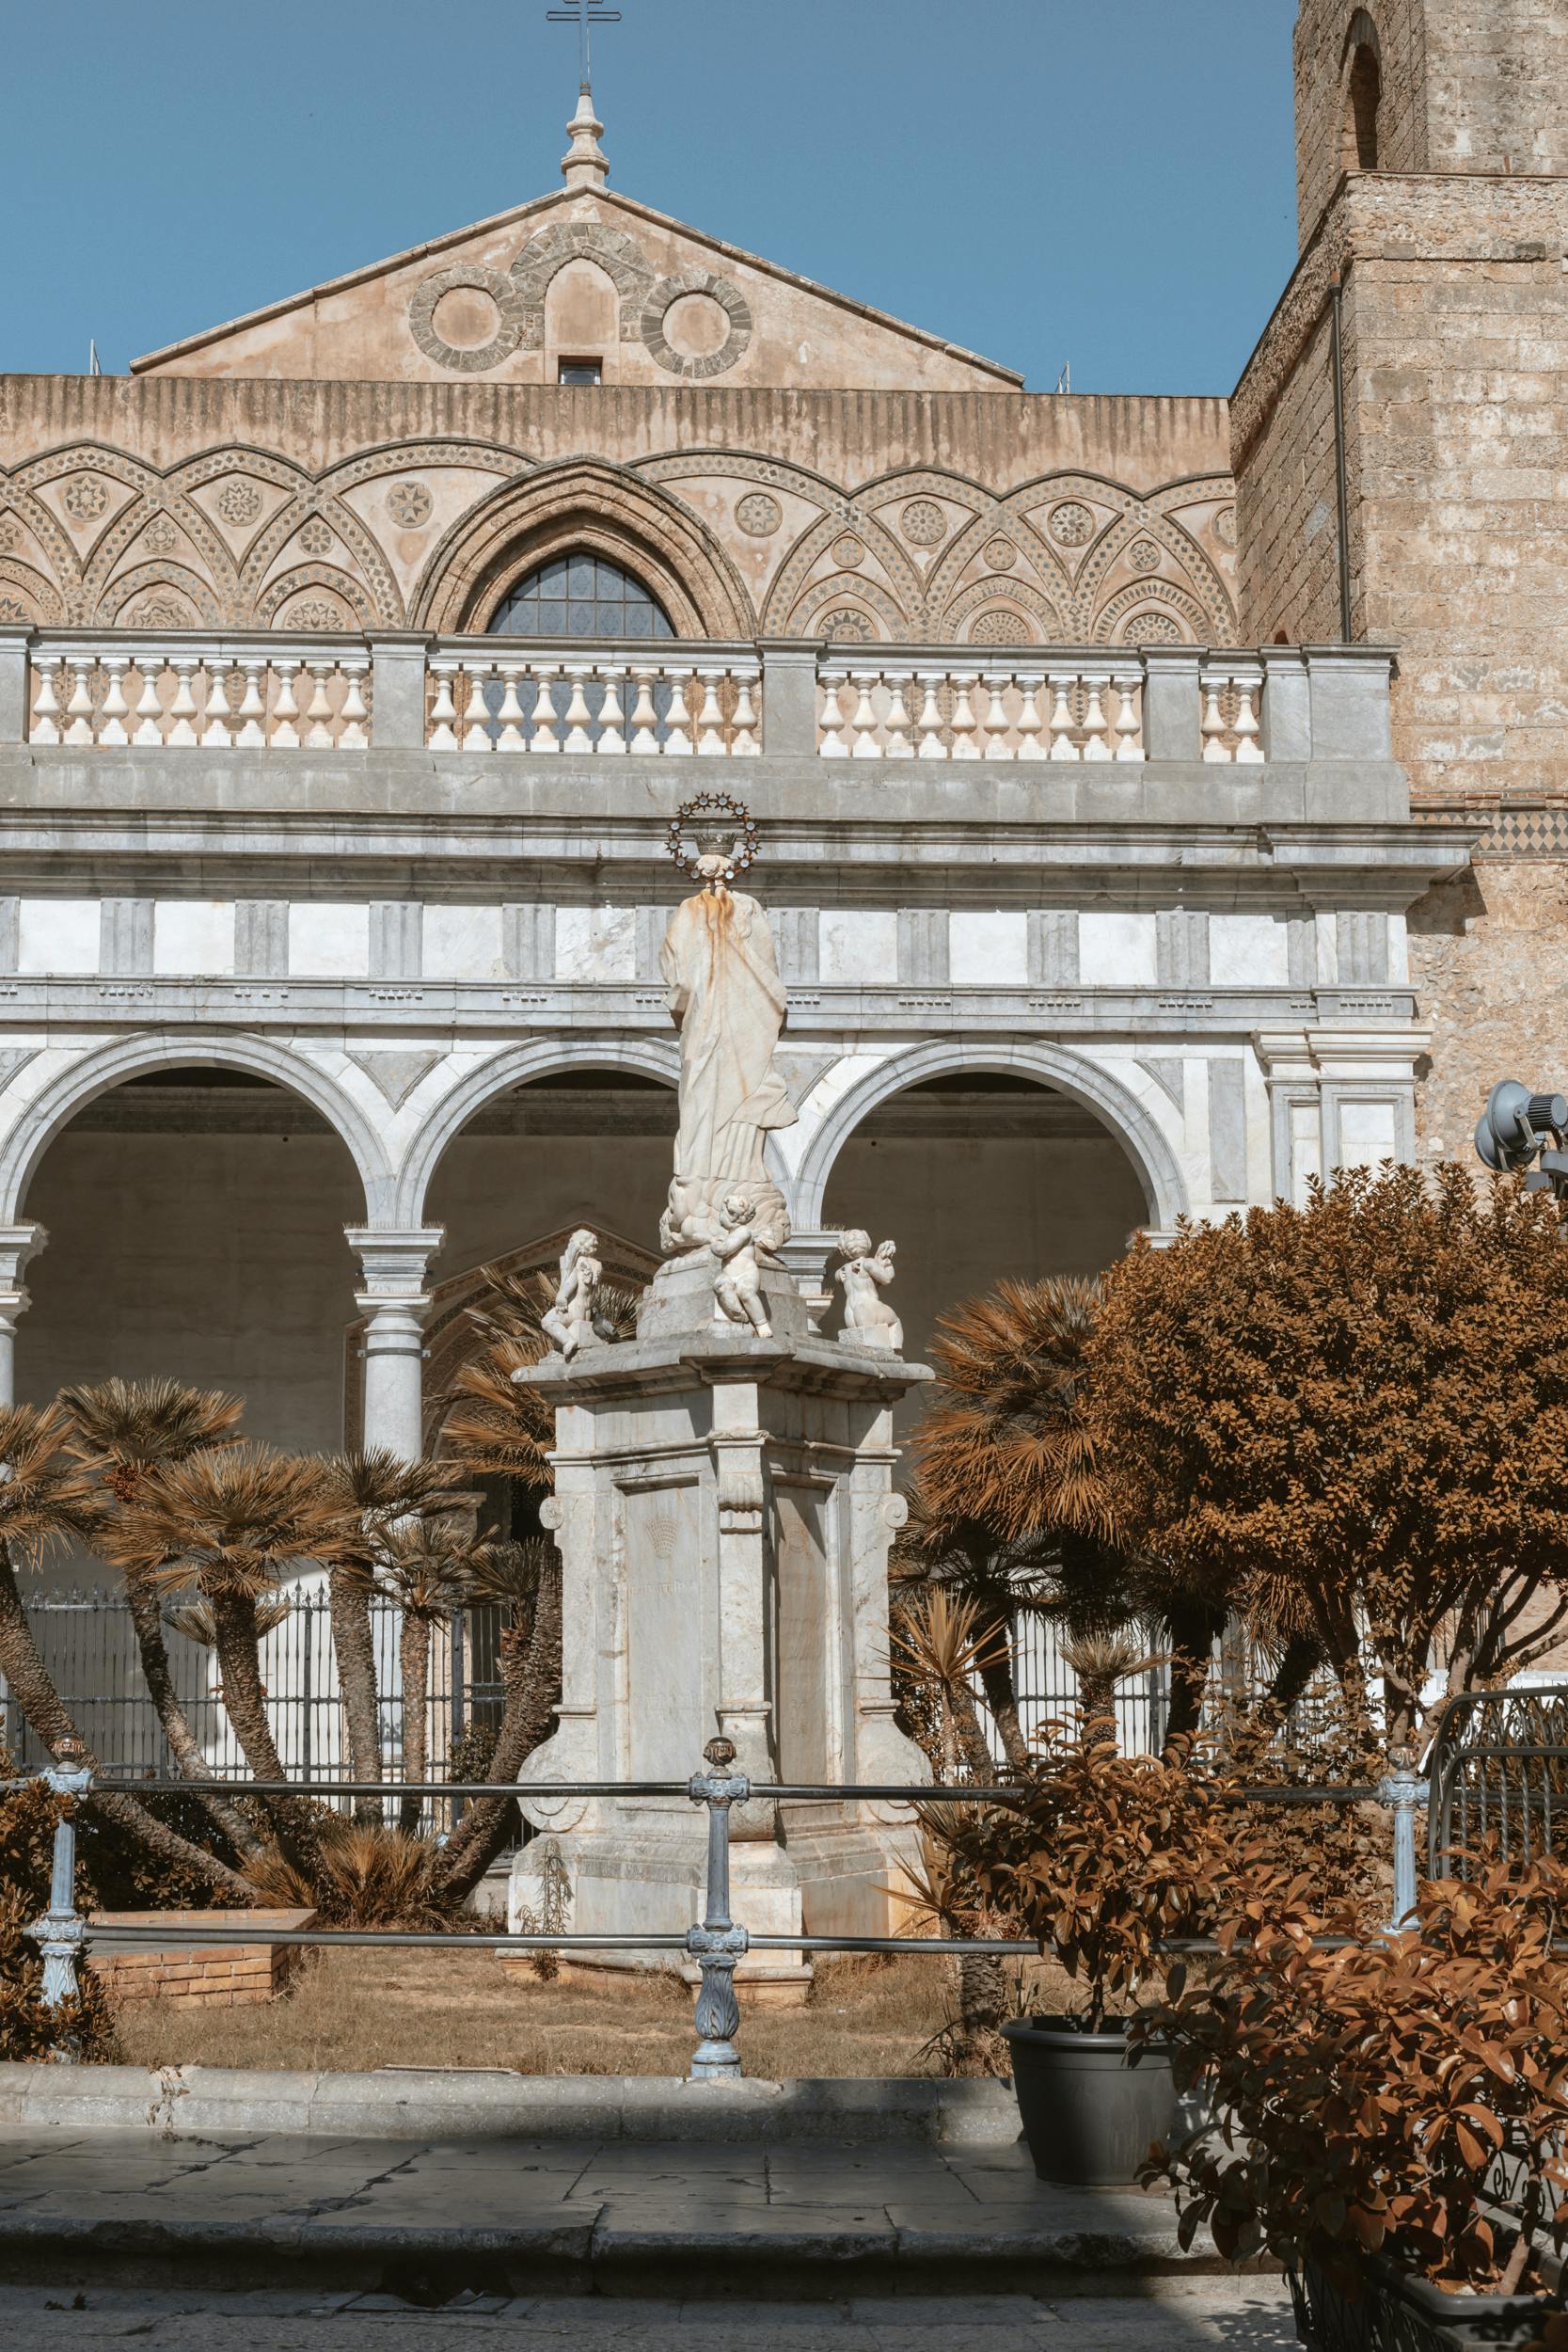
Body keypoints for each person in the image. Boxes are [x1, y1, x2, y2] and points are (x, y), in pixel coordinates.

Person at [658, 834, 795, 1253]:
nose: (713, 879)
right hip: (730, 1023)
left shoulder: (693, 910)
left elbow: (676, 974)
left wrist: (686, 997)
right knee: (717, 1098)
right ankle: (715, 1177)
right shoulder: (745, 908)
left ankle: (715, 1177)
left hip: (717, 1024)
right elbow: (769, 974)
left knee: (718, 1098)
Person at [710, 1190, 773, 1338]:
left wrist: (715, 1244)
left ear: (733, 1216)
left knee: (746, 1292)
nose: (719, 1215)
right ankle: (739, 1314)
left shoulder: (744, 1232)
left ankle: (761, 1323)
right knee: (720, 1285)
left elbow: (724, 1250)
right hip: (729, 1276)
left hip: (746, 1275)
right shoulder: (732, 1234)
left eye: (722, 1211)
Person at [540, 1227, 602, 1359]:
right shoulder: (597, 1265)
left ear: (580, 1243)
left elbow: (572, 1282)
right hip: (586, 1312)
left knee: (547, 1321)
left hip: (573, 1309)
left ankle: (568, 1340)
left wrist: (562, 1295)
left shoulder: (580, 1262)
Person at [835, 1229, 902, 1352]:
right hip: (867, 1307)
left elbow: (864, 1283)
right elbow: (886, 1279)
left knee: (858, 1349)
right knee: (895, 1321)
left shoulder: (841, 1271)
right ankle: (895, 1351)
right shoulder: (868, 1263)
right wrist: (887, 1265)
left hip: (849, 1311)